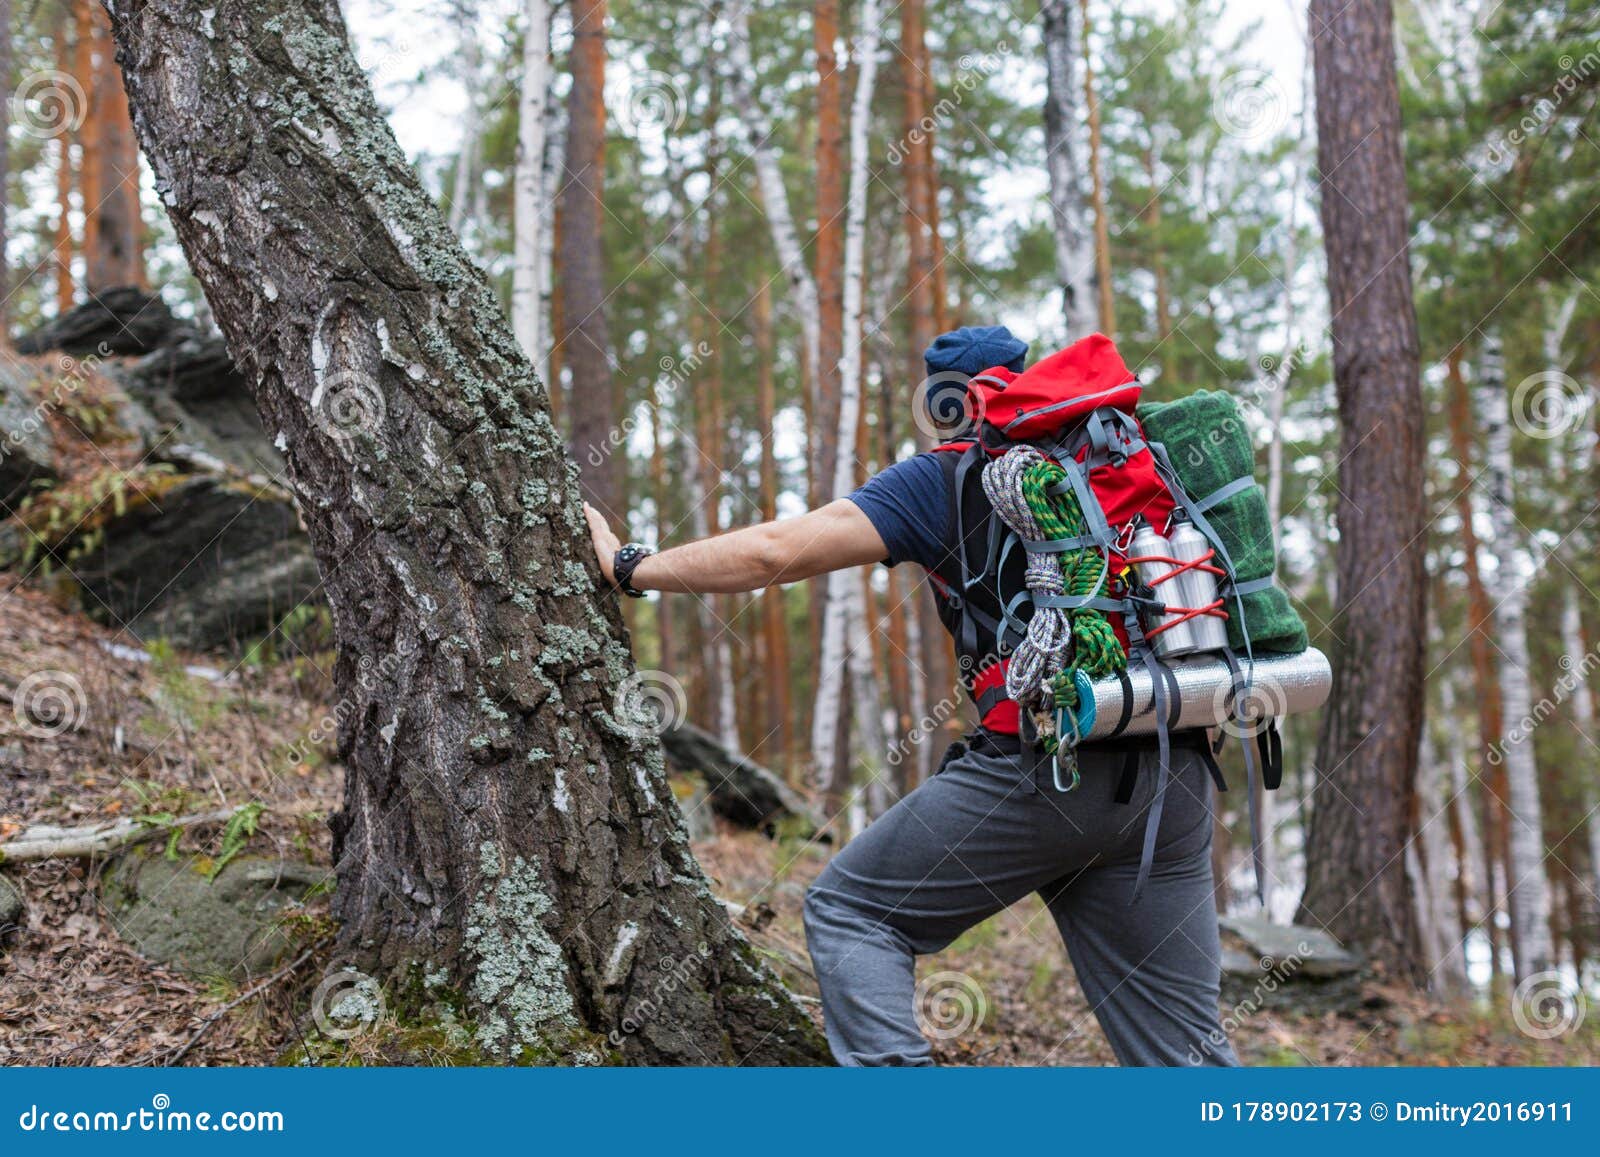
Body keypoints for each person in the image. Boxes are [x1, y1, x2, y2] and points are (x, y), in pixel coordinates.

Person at [584, 325, 1236, 1067]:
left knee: (851, 911)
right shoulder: (1119, 459)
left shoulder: (944, 477)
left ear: (940, 402)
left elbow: (772, 551)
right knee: (1184, 1054)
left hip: (1046, 769)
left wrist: (632, 566)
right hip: (1174, 766)